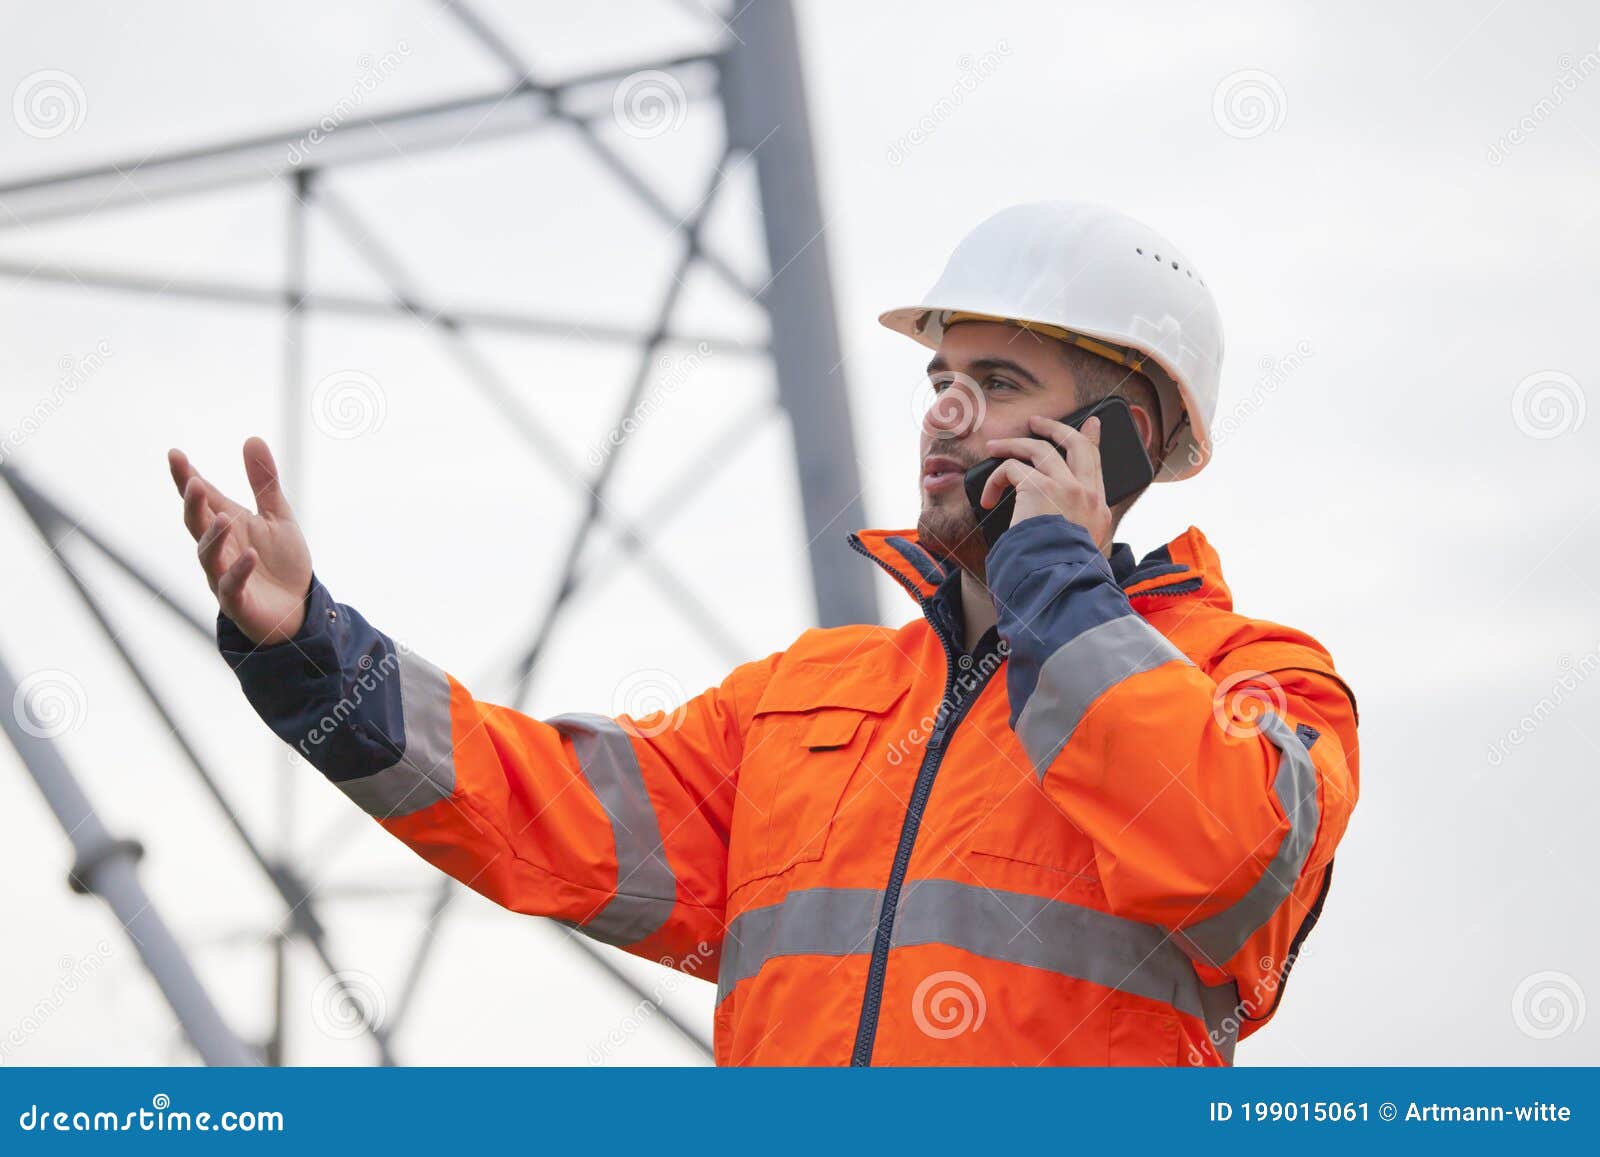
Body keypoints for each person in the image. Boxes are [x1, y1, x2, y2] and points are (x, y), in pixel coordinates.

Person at [169, 201, 1358, 1066]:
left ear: (1125, 438)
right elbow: (535, 807)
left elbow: (1227, 864)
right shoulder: (806, 700)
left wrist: (1057, 582)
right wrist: (313, 648)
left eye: (996, 381)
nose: (945, 411)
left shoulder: (1258, 683)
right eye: (940, 375)